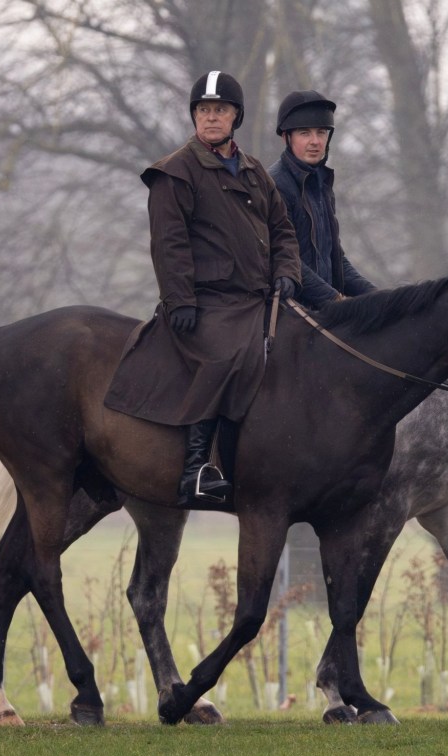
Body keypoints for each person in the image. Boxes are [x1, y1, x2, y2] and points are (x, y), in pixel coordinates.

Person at [104, 71, 301, 506]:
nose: (211, 117)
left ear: (236, 117)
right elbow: (168, 244)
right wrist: (180, 300)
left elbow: (283, 230)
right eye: (204, 110)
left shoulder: (254, 172)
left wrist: (288, 271)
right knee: (225, 355)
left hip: (260, 298)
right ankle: (197, 469)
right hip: (207, 302)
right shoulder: (173, 173)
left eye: (220, 110)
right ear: (195, 116)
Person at [268, 90, 376, 309]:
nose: (315, 141)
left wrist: (379, 297)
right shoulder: (275, 185)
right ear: (286, 137)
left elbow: (335, 257)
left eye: (322, 132)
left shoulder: (321, 184)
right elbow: (286, 258)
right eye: (305, 133)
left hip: (321, 309)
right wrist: (335, 300)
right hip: (291, 312)